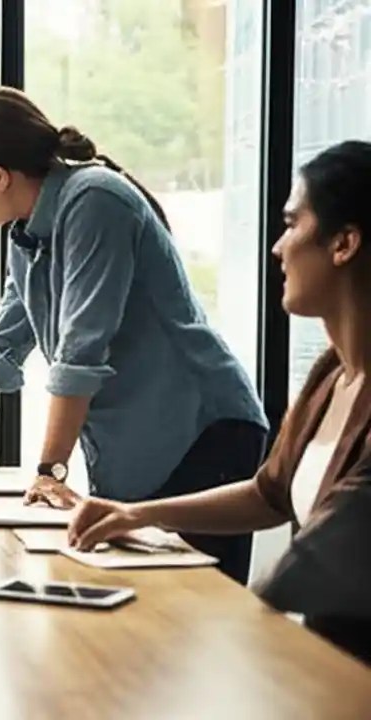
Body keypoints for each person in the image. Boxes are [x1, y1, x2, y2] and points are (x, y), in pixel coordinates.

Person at [0, 87, 267, 583]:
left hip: (201, 435)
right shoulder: (25, 234)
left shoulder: (95, 200)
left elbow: (80, 350)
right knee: (140, 628)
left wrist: (50, 470)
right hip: (142, 452)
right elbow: (0, 349)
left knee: (191, 611)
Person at [70, 141, 371, 661]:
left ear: (343, 243)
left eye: (292, 224)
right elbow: (268, 495)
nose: (278, 247)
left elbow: (297, 577)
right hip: (322, 666)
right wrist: (135, 514)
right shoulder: (330, 374)